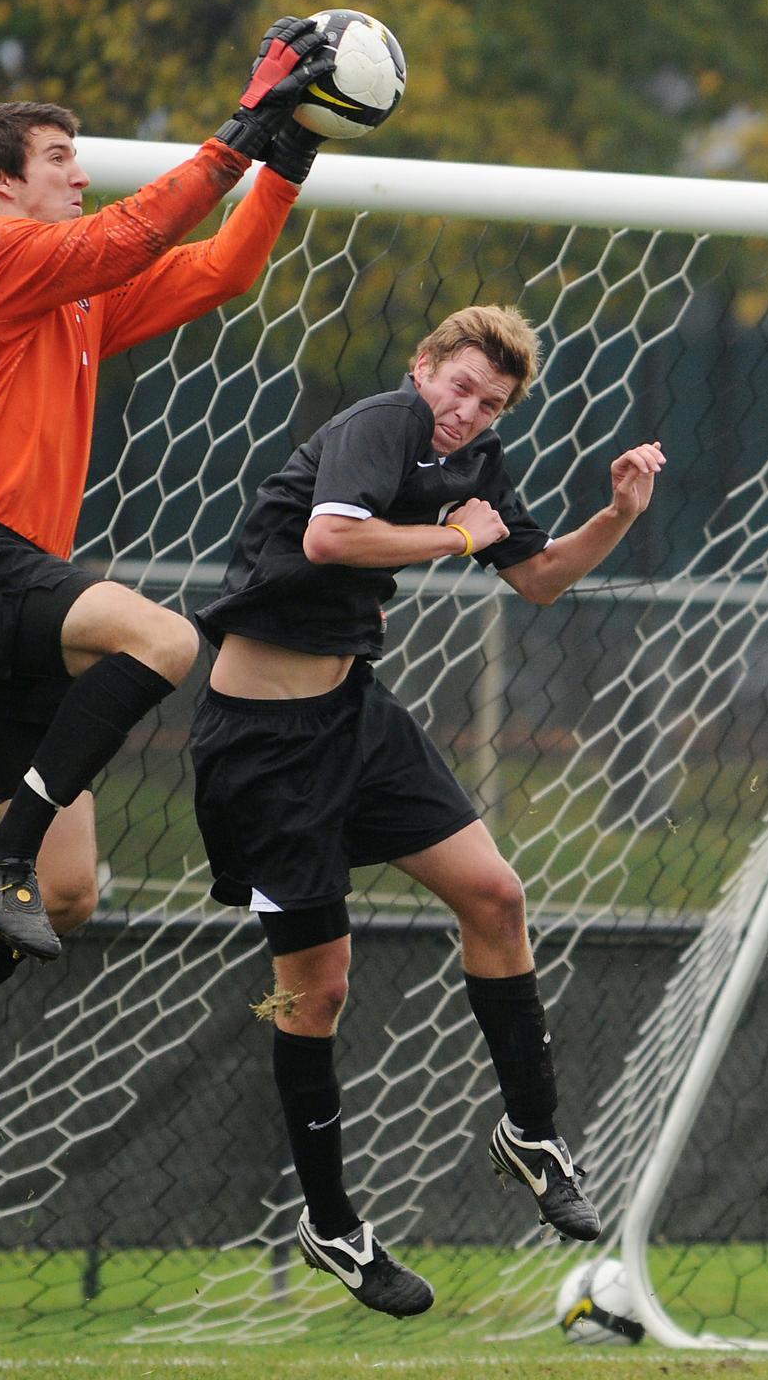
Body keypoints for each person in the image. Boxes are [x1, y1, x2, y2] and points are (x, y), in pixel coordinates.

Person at [0, 16, 335, 1122]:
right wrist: (242, 126)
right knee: (163, 639)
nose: (80, 171)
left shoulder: (63, 298)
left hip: (10, 587)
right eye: (60, 157)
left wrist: (286, 158)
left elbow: (218, 272)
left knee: (65, 899)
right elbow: (126, 239)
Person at [189, 304, 666, 1318]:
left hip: (356, 720)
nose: (466, 412)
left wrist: (617, 515)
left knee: (495, 896)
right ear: (423, 369)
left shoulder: (478, 463)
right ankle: (329, 1223)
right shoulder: (382, 423)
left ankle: (532, 1133)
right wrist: (452, 537)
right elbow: (329, 537)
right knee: (310, 993)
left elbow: (536, 577)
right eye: (458, 386)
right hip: (263, 755)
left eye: (489, 403)